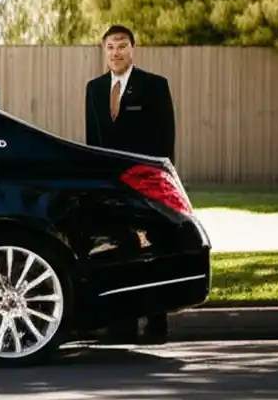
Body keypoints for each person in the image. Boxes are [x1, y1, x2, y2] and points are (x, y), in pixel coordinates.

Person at [85, 24, 177, 344]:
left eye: (122, 45)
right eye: (110, 46)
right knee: (115, 250)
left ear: (132, 49)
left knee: (151, 250)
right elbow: (92, 141)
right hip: (110, 186)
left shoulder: (154, 86)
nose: (116, 52)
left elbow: (165, 139)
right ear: (104, 50)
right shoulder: (94, 88)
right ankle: (120, 323)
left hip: (146, 183)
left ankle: (156, 322)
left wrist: (157, 181)